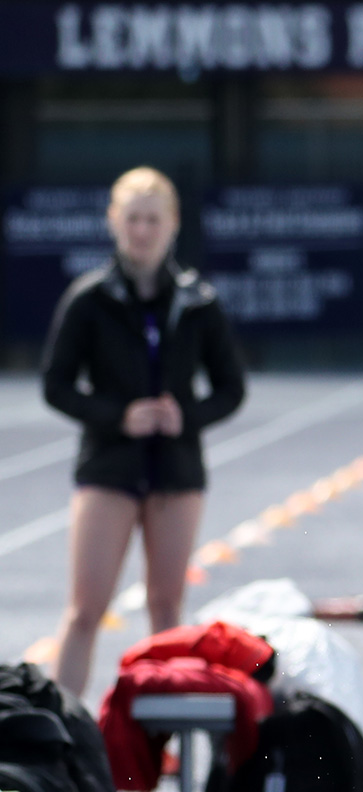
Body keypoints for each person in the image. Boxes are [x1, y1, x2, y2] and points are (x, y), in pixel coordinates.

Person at [41, 166, 246, 696]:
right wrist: (117, 415)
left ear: (172, 224)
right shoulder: (89, 299)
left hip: (176, 471)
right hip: (109, 467)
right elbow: (56, 385)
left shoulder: (199, 301)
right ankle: (59, 738)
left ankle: (170, 742)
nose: (142, 230)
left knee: (166, 606)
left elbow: (231, 387)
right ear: (114, 221)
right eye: (132, 219)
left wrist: (187, 417)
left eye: (152, 219)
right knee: (86, 609)